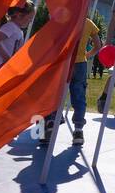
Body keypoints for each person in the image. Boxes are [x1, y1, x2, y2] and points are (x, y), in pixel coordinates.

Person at [41, 14, 101, 147]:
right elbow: (98, 45)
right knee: (79, 97)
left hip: (62, 62)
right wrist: (87, 55)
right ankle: (78, 130)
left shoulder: (61, 19)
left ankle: (49, 124)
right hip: (80, 63)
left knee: (54, 95)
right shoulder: (88, 23)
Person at [0, 0, 34, 72]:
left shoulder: (18, 30)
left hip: (8, 66)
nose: (30, 21)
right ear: (19, 15)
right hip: (3, 66)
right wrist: (7, 59)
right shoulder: (10, 27)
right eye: (30, 18)